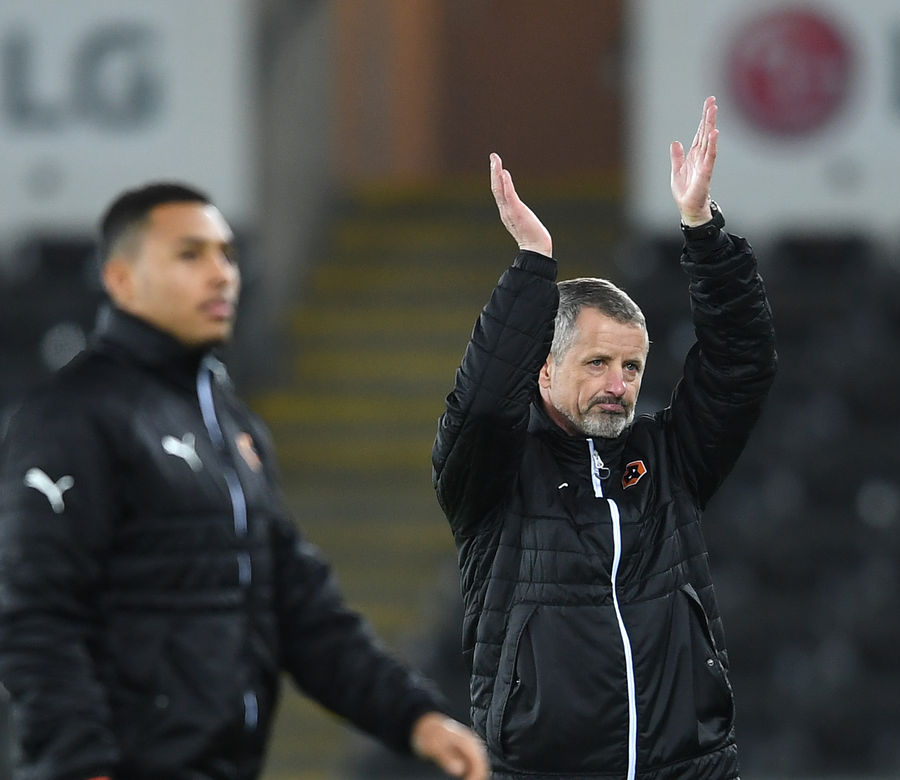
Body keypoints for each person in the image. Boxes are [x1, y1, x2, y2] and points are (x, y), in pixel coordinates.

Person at [0, 183, 490, 780]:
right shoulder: (74, 415)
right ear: (122, 280)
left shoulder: (232, 424)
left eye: (226, 255)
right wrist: (80, 765)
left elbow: (299, 608)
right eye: (191, 255)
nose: (221, 274)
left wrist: (414, 717)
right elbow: (33, 613)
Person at [432, 96, 777, 779]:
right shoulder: (495, 476)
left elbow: (743, 364)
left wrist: (702, 231)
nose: (619, 383)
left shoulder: (668, 459)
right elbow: (479, 409)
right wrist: (533, 265)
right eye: (597, 363)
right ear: (545, 369)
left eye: (631, 367)